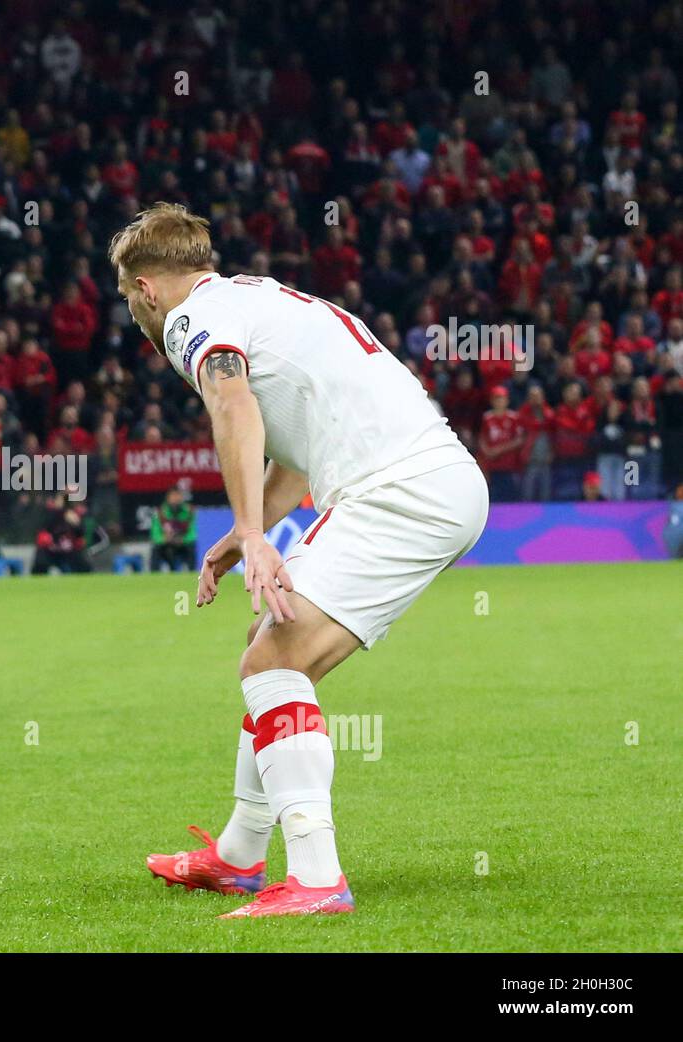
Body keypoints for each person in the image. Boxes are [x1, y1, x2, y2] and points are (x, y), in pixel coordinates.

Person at [110, 204, 487, 918]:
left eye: (129, 296)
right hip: (431, 480)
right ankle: (240, 855)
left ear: (148, 288)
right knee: (271, 655)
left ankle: (316, 880)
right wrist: (246, 528)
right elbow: (295, 448)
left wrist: (253, 532)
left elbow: (232, 404)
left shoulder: (193, 321)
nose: (132, 311)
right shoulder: (256, 297)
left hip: (400, 490)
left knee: (274, 664)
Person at [150, 485, 197, 571]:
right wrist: (165, 539)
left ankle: (192, 572)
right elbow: (155, 535)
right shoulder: (160, 512)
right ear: (168, 498)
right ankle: (154, 574)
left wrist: (182, 540)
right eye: (173, 496)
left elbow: (192, 534)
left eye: (178, 496)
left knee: (192, 546)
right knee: (156, 548)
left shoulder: (189, 511)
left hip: (182, 544)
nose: (175, 499)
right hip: (166, 544)